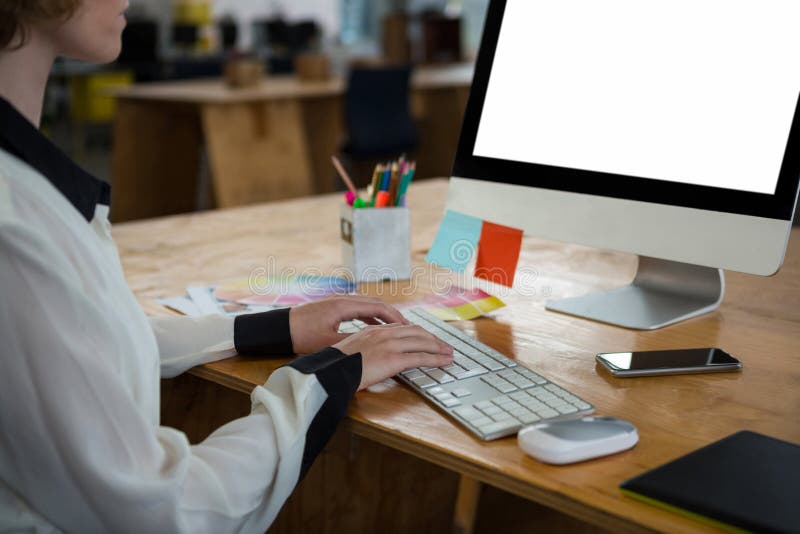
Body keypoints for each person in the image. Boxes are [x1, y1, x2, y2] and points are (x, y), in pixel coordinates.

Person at [0, 1, 454, 531]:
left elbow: (80, 339)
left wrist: (273, 326)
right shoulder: (16, 227)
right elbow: (168, 514)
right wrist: (326, 377)